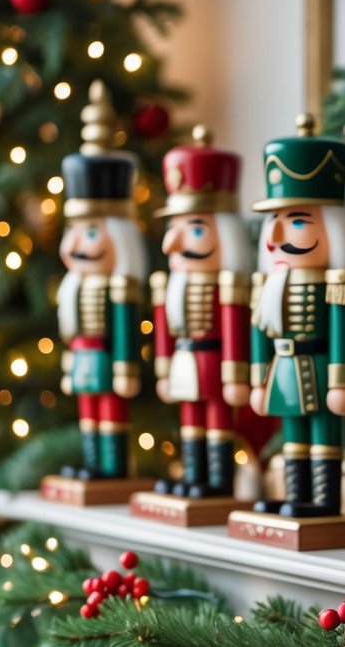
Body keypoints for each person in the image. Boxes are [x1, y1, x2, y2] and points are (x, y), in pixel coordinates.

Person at [248, 114, 345, 516]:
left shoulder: (336, 281)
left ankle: (325, 501)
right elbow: (260, 332)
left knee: (324, 434)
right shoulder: (269, 284)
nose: (278, 237)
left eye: (296, 221)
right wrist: (259, 379)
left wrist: (341, 380)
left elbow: (342, 332)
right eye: (275, 222)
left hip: (318, 366)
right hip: (282, 368)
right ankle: (297, 496)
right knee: (292, 434)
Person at [150, 127, 252, 499]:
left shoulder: (227, 283)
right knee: (190, 421)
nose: (172, 243)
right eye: (173, 227)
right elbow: (164, 330)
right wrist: (163, 369)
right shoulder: (170, 285)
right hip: (183, 361)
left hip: (215, 363)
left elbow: (236, 330)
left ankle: (218, 481)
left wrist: (235, 374)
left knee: (217, 421)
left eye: (193, 228)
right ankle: (194, 475)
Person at [57, 81, 148, 480]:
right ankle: (92, 463)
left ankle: (111, 466)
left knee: (110, 411)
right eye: (75, 230)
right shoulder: (73, 286)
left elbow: (126, 328)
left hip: (109, 357)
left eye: (91, 232)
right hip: (82, 355)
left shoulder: (119, 286)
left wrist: (126, 363)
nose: (77, 244)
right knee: (88, 412)